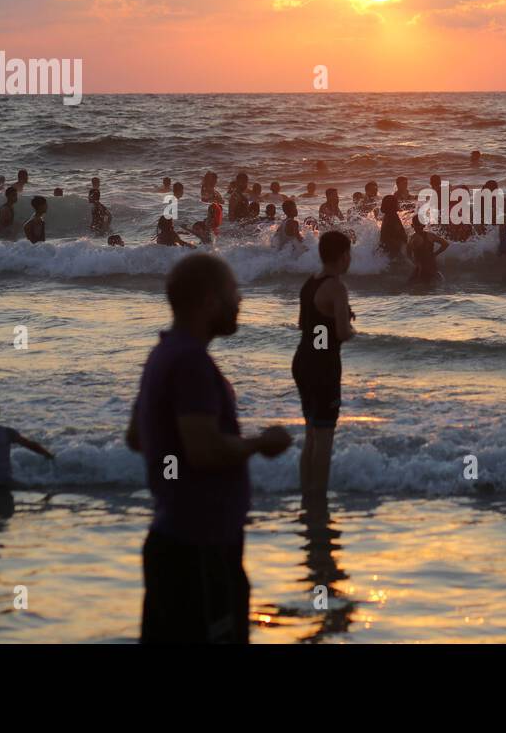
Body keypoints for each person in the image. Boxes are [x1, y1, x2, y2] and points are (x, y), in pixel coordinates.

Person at [125, 253, 294, 643]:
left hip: (174, 541)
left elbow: (136, 437)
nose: (239, 302)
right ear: (208, 301)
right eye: (233, 292)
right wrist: (260, 444)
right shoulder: (191, 362)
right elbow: (202, 452)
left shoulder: (162, 353)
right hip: (200, 549)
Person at [293, 231, 356, 496]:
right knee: (325, 438)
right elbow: (342, 333)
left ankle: (307, 494)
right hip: (324, 367)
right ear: (343, 256)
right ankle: (318, 499)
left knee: (311, 435)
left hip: (303, 361)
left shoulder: (311, 282)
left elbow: (302, 323)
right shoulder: (337, 287)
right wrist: (354, 329)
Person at [408, 214, 449, 283]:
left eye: (419, 225)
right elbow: (445, 244)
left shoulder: (413, 238)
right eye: (417, 225)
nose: (418, 227)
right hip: (430, 266)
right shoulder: (430, 236)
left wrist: (413, 261)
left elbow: (408, 252)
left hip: (423, 268)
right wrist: (435, 254)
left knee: (412, 286)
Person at [378, 194, 408, 261]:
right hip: (393, 248)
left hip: (386, 246)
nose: (398, 204)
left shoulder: (387, 215)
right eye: (397, 202)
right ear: (392, 205)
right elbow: (401, 233)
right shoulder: (393, 216)